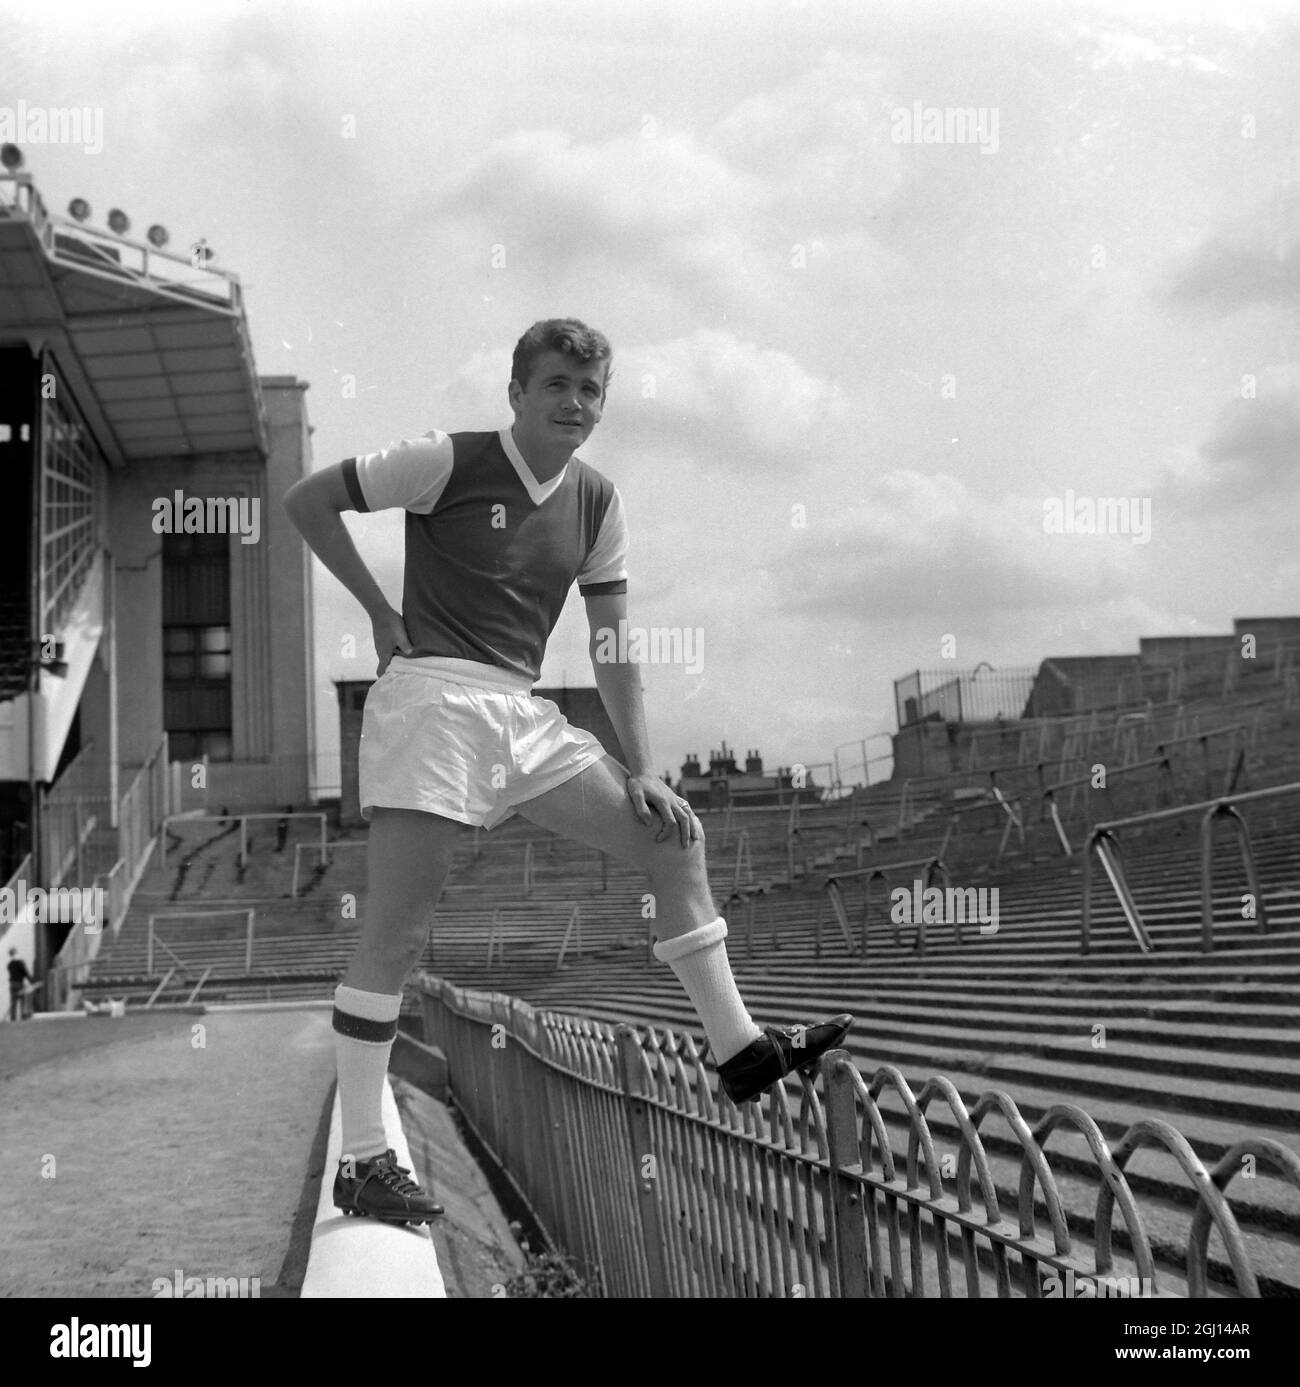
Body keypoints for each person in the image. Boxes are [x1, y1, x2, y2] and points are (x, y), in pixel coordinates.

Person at [283, 319, 851, 1225]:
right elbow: (309, 499)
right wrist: (379, 609)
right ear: (516, 391)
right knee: (396, 931)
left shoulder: (598, 500)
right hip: (434, 699)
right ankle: (361, 1157)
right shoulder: (446, 459)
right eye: (556, 386)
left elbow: (612, 639)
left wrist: (644, 766)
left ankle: (738, 1049)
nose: (575, 405)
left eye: (591, 392)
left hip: (524, 710)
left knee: (674, 840)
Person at [7, 947, 33, 1022]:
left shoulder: (9, 965)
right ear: (16, 953)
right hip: (19, 984)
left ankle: (13, 1019)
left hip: (12, 984)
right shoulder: (20, 963)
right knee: (22, 1000)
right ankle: (23, 1017)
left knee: (13, 1002)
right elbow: (25, 973)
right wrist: (32, 981)